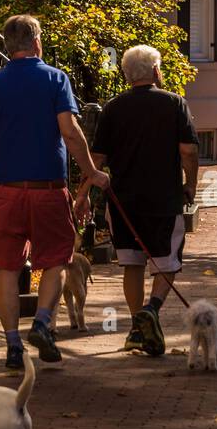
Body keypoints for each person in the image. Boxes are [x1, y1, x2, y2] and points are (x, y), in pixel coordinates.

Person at [0, 14, 110, 370]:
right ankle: (43, 322)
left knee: (7, 267)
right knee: (57, 259)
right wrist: (91, 172)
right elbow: (71, 132)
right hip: (47, 188)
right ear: (36, 42)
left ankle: (13, 345)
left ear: (7, 45)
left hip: (5, 190)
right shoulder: (55, 79)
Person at [75, 45, 199, 358]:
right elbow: (188, 151)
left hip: (123, 201)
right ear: (156, 71)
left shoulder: (113, 107)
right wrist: (191, 185)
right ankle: (152, 311)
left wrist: (83, 194)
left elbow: (98, 158)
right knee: (166, 261)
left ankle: (135, 325)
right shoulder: (174, 103)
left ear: (126, 74)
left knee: (131, 263)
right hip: (163, 198)